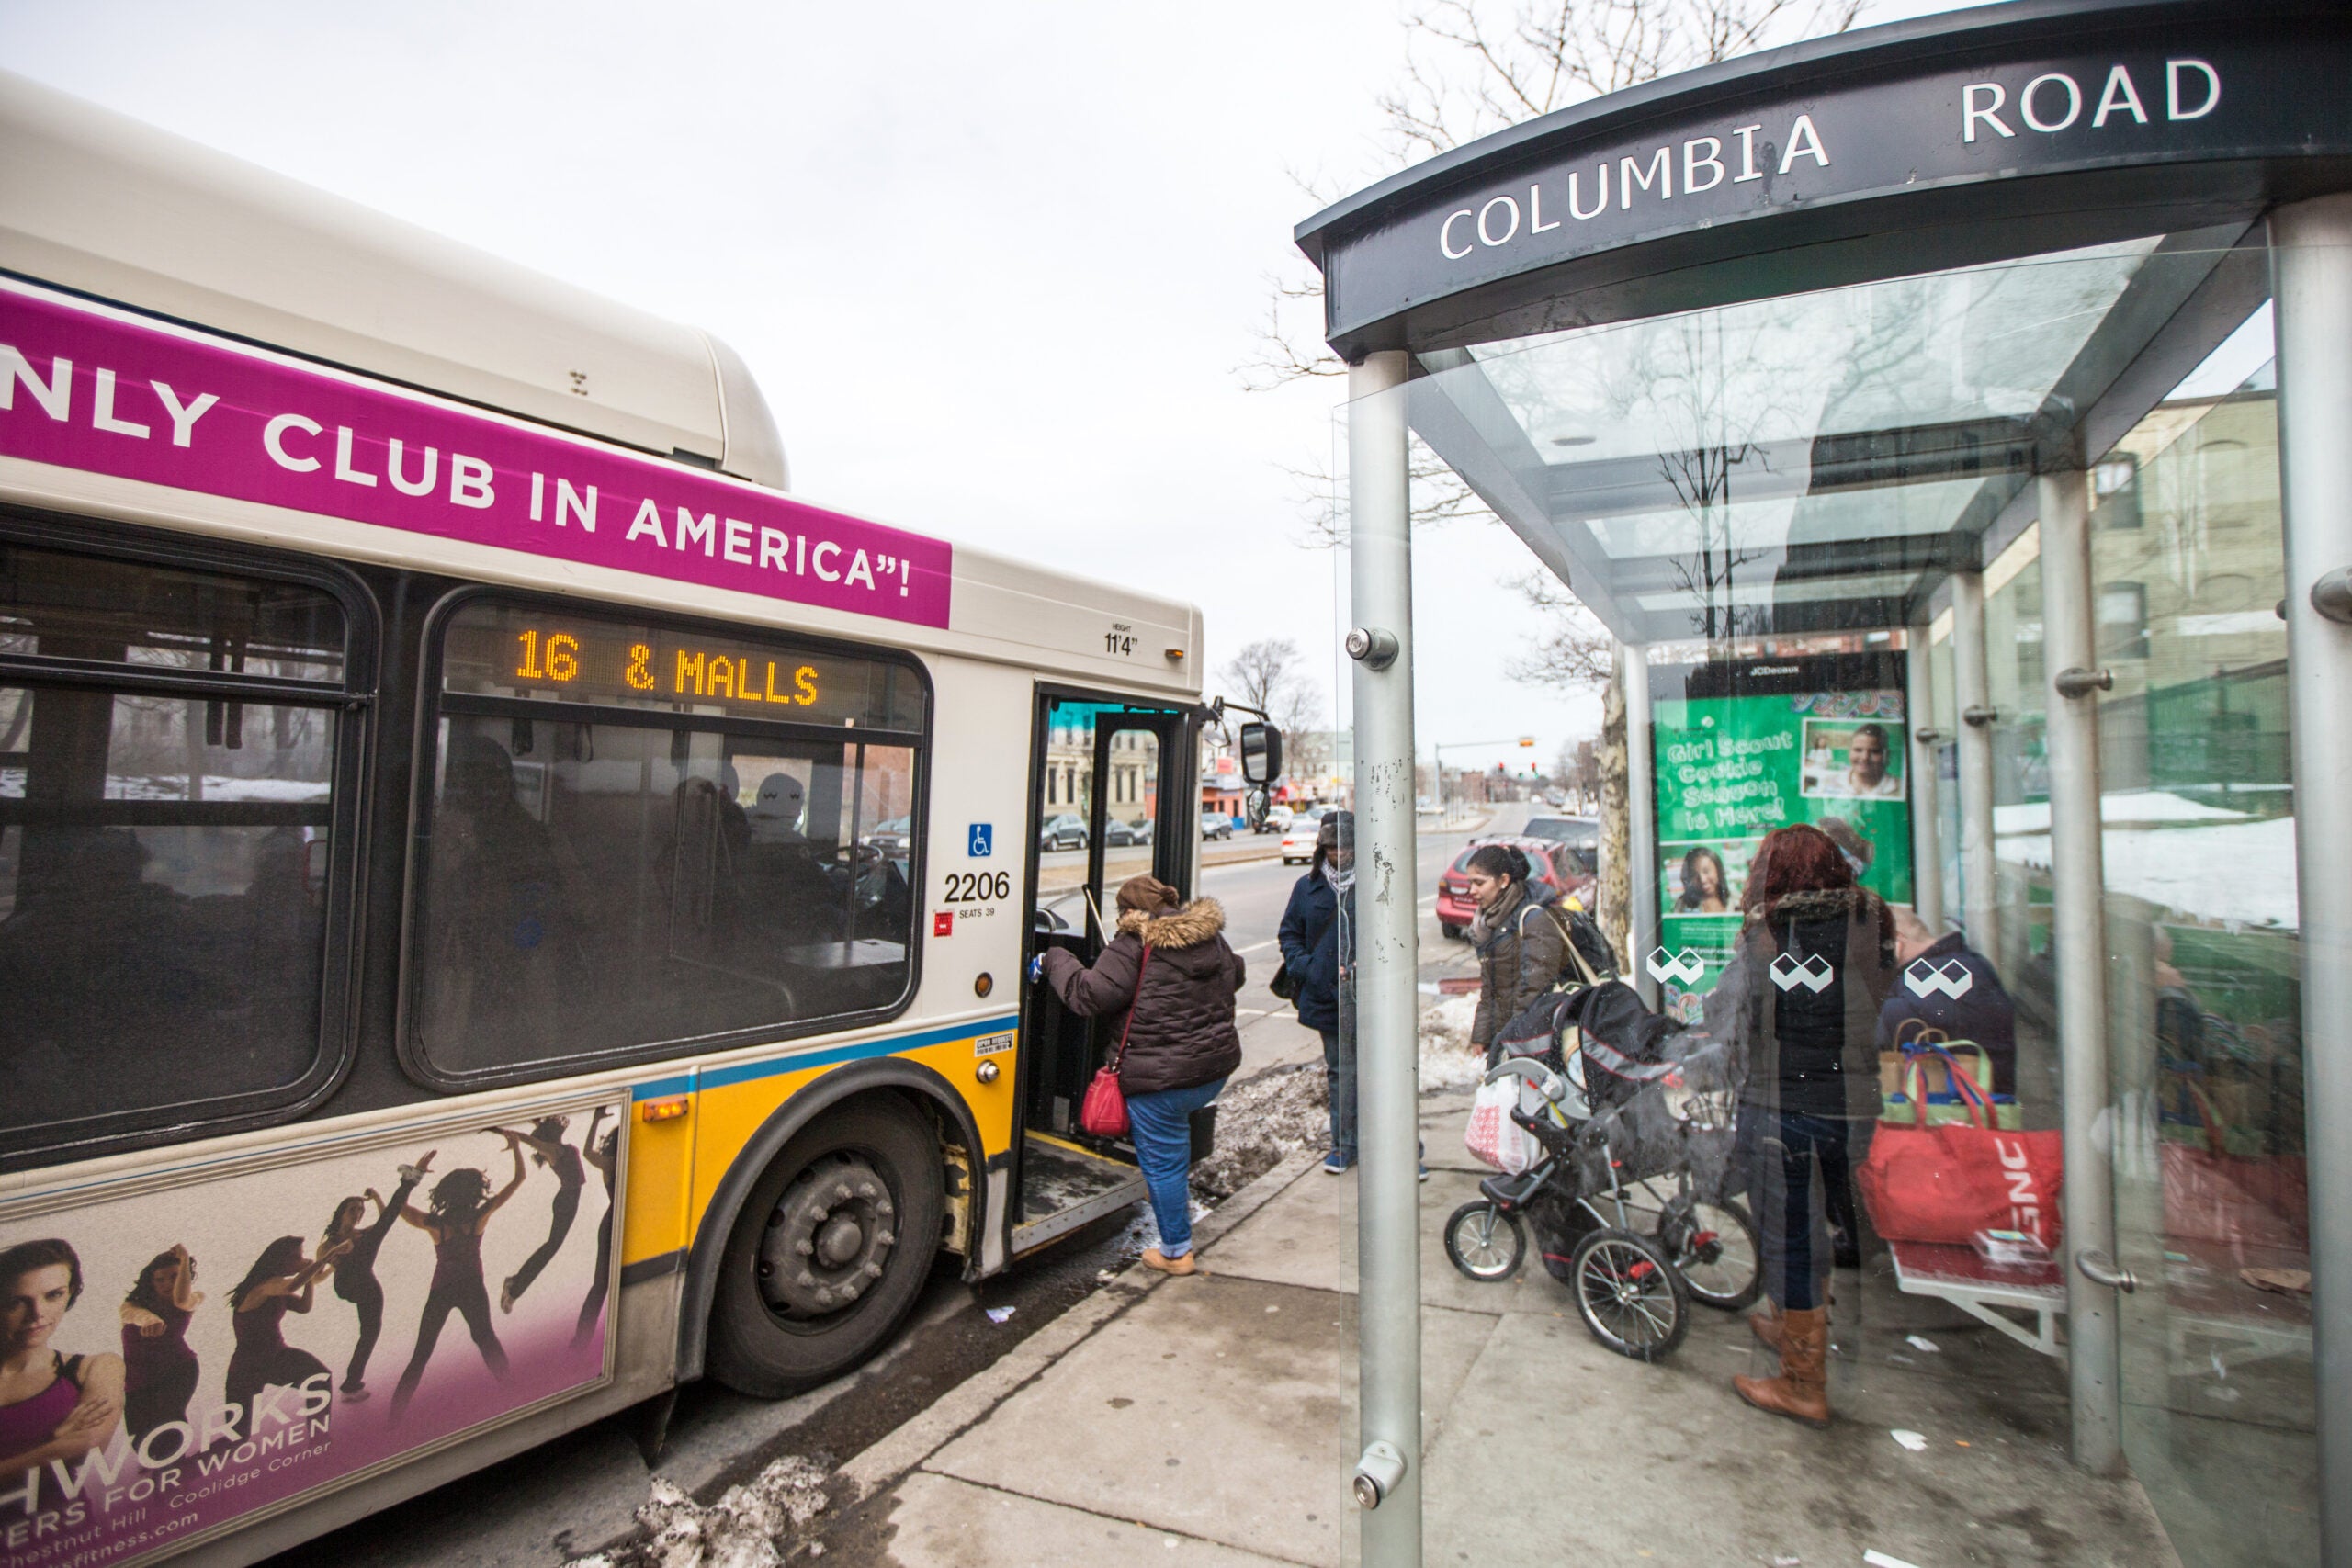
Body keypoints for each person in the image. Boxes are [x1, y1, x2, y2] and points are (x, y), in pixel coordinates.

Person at [1707, 823, 1895, 1428]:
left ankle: (1801, 1381)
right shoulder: (1872, 922)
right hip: (1854, 1104)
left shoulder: (1768, 935)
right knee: (1820, 1225)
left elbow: (1729, 1016)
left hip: (1782, 1104)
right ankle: (1795, 1324)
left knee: (1790, 1232)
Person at [1037, 875, 1243, 1277]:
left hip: (1162, 1080)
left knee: (1164, 1161)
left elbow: (1088, 996)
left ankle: (1176, 1253)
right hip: (1213, 1070)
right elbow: (1236, 973)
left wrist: (1055, 958)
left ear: (1130, 912)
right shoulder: (1210, 937)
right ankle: (1165, 1193)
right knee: (1171, 1144)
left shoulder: (1133, 944)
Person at [388, 1137, 528, 1422]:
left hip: (441, 1289)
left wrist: (414, 1176)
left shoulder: (435, 1224)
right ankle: (515, 1395)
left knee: (421, 1354)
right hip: (472, 1288)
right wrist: (515, 1147)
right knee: (486, 1340)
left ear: (446, 1194)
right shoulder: (479, 1217)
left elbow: (398, 1207)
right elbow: (519, 1179)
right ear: (475, 1192)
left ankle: (393, 1419)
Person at [0, 1239, 123, 1482]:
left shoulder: (96, 1368)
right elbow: (67, 1452)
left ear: (71, 1292)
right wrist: (53, 1441)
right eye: (17, 1301)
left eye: (54, 1295)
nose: (37, 1314)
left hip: (68, 1508)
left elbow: (90, 1445)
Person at [1278, 810, 1356, 1172]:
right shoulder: (1306, 887)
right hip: (1328, 995)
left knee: (1386, 1071)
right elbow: (1289, 934)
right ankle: (1343, 1146)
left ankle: (1401, 1149)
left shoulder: (1379, 881)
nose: (1338, 854)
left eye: (1345, 846)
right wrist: (1310, 968)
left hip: (1373, 997)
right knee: (1340, 1072)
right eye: (1330, 848)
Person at [322, 1151, 434, 1400]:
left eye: (360, 1210)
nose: (357, 1213)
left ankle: (351, 1384)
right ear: (341, 1212)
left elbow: (388, 1217)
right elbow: (318, 1272)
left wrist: (377, 1199)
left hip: (367, 1287)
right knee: (373, 1233)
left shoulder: (364, 1235)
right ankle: (411, 1178)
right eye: (353, 1209)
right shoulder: (330, 1241)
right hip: (346, 1284)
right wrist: (333, 1257)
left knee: (369, 1333)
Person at [1876, 907, 2017, 1097]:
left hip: (1961, 1106)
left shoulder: (1943, 973)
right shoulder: (1960, 962)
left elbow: (1891, 1026)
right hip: (1971, 1101)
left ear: (1896, 940)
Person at [225, 1235, 347, 1439]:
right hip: (247, 1368)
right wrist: (326, 1258)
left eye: (301, 1256)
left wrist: (311, 1277)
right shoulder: (265, 1286)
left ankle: (319, 1440)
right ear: (280, 1260)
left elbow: (304, 1307)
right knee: (237, 1436)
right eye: (295, 1257)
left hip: (275, 1356)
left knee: (319, 1377)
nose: (301, 1261)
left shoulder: (277, 1289)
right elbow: (291, 1286)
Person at [1465, 843, 1567, 1070]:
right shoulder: (1490, 922)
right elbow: (1490, 988)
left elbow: (1534, 989)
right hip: (1509, 1037)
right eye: (1470, 883)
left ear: (1503, 880)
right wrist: (1481, 1036)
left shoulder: (1534, 917)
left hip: (1533, 1040)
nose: (1472, 890)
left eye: (1479, 883)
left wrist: (1514, 1040)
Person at [498, 1118, 584, 1313]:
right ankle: (514, 1287)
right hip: (566, 1201)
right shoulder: (552, 1150)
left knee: (552, 1246)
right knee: (551, 1247)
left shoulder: (557, 1146)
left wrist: (537, 1124)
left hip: (568, 1199)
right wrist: (508, 1134)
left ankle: (515, 1284)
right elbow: (528, 1139)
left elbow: (538, 1135)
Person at [119, 1243, 203, 1444]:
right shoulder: (132, 1305)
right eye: (160, 1280)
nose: (168, 1284)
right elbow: (133, 1314)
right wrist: (149, 1320)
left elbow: (181, 1300)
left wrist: (185, 1259)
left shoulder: (193, 1299)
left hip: (178, 1370)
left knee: (169, 1424)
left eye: (175, 1277)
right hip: (138, 1378)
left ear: (185, 1276)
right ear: (151, 1282)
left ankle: (180, 1461)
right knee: (139, 1440)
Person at [573, 1109, 619, 1348]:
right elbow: (587, 1153)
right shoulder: (614, 1163)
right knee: (604, 1284)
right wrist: (594, 1120)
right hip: (614, 1223)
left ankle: (581, 1340)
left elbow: (588, 1152)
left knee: (600, 1284)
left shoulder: (609, 1163)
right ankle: (583, 1339)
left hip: (610, 1221)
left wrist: (595, 1121)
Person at [1839, 723, 1902, 799]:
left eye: (1874, 751)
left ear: (1886, 755)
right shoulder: (1833, 783)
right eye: (1858, 750)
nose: (1865, 757)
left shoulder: (1900, 788)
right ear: (1849, 752)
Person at [1676, 846, 1731, 913]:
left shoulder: (1735, 901)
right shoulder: (1683, 904)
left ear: (1718, 870)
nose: (1702, 880)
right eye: (1695, 874)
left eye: (1706, 871)